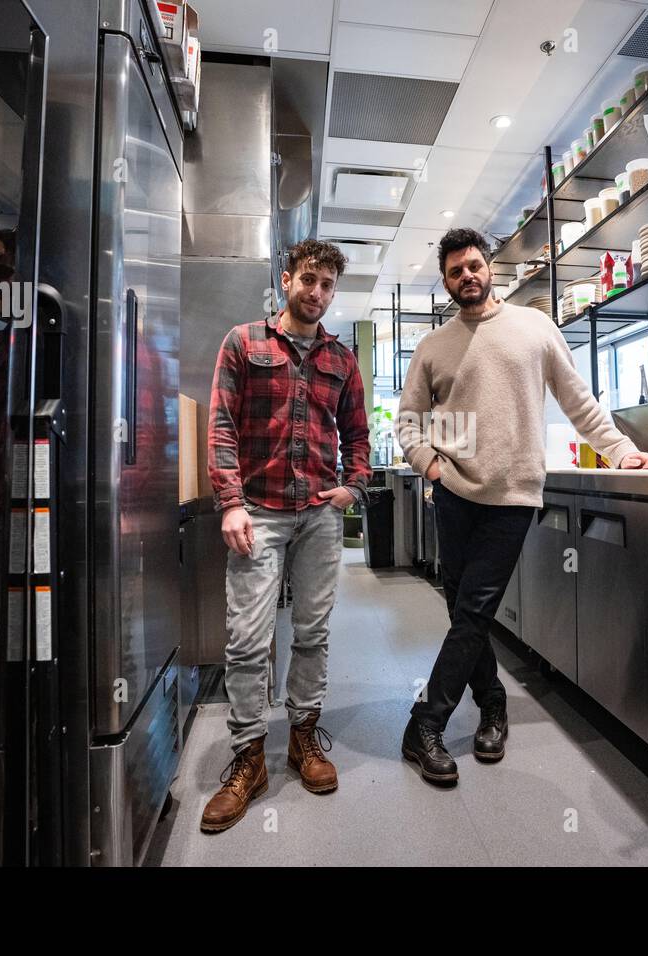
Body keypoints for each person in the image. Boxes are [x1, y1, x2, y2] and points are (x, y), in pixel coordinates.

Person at [395, 227, 648, 786]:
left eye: (473, 265)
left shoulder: (535, 327)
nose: (466, 275)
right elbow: (408, 421)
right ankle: (493, 705)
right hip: (452, 493)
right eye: (454, 271)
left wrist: (622, 450)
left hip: (512, 495)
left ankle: (425, 722)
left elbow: (577, 400)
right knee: (465, 611)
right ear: (445, 282)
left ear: (489, 268)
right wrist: (430, 465)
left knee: (472, 610)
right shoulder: (433, 346)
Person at [201, 238, 371, 831]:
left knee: (312, 632)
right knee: (247, 639)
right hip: (259, 513)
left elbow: (358, 436)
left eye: (327, 285)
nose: (317, 293)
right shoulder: (243, 342)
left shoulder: (342, 358)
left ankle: (303, 736)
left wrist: (353, 487)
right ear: (287, 279)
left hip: (321, 514)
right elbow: (220, 422)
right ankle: (250, 756)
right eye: (308, 280)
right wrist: (229, 502)